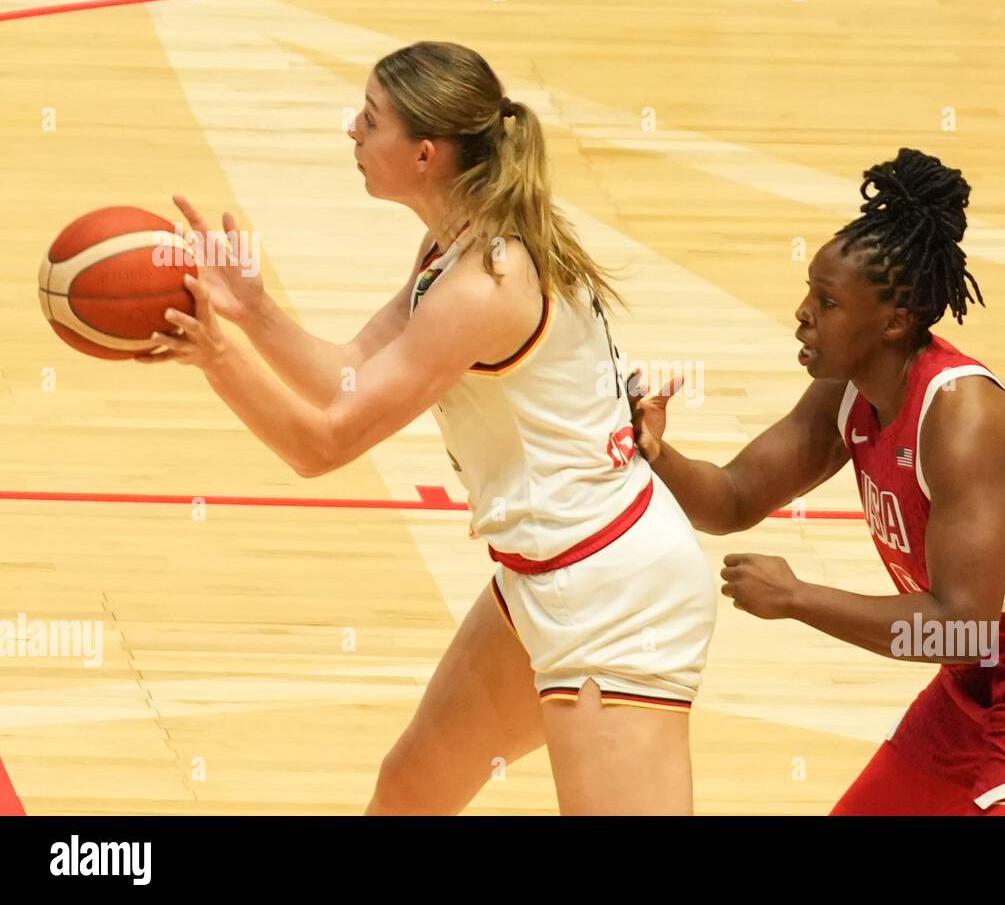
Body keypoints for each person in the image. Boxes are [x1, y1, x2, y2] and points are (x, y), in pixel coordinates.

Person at [143, 41, 716, 815]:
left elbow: (326, 442)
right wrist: (256, 313)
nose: (352, 128)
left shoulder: (486, 284)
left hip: (615, 598)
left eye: (370, 119)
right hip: (545, 574)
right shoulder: (455, 245)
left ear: (424, 152)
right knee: (411, 791)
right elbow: (349, 375)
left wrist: (218, 357)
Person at [632, 148, 1005, 815]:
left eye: (828, 301)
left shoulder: (962, 420)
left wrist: (798, 598)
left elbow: (960, 627)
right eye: (811, 291)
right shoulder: (847, 393)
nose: (803, 312)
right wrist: (656, 452)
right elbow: (732, 498)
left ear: (894, 322)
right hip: (990, 668)